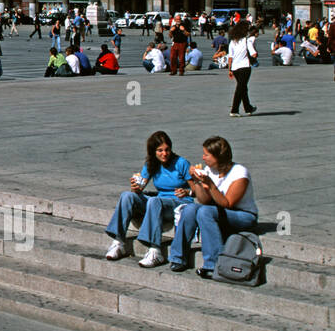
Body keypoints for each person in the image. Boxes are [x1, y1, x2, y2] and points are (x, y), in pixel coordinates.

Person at [169, 135, 259, 277]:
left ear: (218, 157)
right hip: (218, 211)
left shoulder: (240, 173)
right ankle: (178, 257)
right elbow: (204, 200)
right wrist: (197, 181)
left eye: (206, 154)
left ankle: (213, 264)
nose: (203, 158)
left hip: (243, 215)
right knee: (190, 208)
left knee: (205, 212)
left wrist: (210, 184)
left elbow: (227, 203)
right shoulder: (210, 170)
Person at [103, 130, 193, 267]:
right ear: (153, 152)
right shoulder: (152, 164)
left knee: (154, 200)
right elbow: (140, 187)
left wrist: (187, 191)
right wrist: (135, 187)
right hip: (158, 203)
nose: (164, 154)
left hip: (178, 202)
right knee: (127, 196)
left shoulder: (181, 163)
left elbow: (197, 191)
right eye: (160, 150)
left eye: (167, 150)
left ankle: (155, 250)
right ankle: (119, 241)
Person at [226, 22, 259, 117]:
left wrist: (230, 70)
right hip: (244, 67)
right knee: (240, 88)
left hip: (235, 68)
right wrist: (254, 55)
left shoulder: (232, 41)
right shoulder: (246, 40)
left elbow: (230, 57)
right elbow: (253, 53)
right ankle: (234, 110)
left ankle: (248, 108)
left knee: (243, 87)